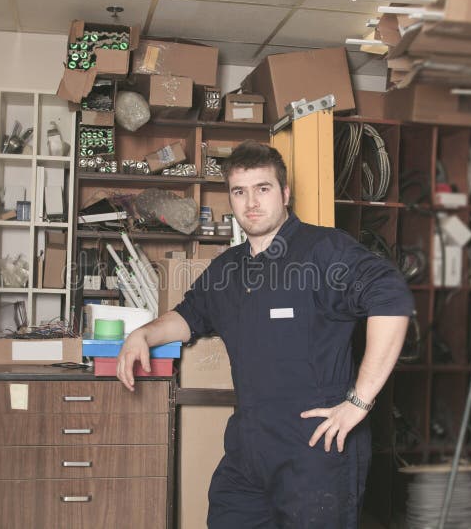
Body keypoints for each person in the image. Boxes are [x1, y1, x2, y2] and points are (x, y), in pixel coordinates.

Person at [116, 140, 414, 528]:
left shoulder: (323, 250)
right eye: (239, 191)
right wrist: (143, 334)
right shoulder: (228, 269)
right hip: (249, 449)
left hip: (316, 452)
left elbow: (391, 296)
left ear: (284, 193)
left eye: (263, 188)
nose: (251, 202)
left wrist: (359, 401)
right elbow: (189, 316)